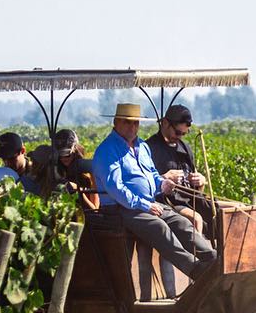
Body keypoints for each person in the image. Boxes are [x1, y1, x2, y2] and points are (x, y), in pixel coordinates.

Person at [92, 103, 217, 284]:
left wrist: (163, 183)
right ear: (116, 122)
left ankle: (213, 259)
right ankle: (195, 269)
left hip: (149, 203)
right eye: (127, 123)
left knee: (180, 222)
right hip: (120, 208)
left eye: (136, 123)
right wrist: (146, 205)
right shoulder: (107, 150)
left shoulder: (142, 146)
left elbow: (152, 174)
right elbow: (116, 189)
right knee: (158, 226)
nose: (133, 127)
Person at [146, 103, 211, 233]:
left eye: (183, 134)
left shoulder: (185, 148)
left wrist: (200, 181)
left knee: (234, 209)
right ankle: (197, 253)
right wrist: (164, 178)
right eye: (177, 132)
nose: (179, 137)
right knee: (196, 219)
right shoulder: (150, 147)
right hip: (167, 202)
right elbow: (143, 181)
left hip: (192, 200)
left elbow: (195, 185)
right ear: (164, 123)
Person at [39, 129, 99, 211]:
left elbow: (95, 209)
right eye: (60, 155)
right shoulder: (54, 172)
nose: (63, 158)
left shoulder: (88, 172)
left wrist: (78, 192)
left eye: (67, 154)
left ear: (75, 151)